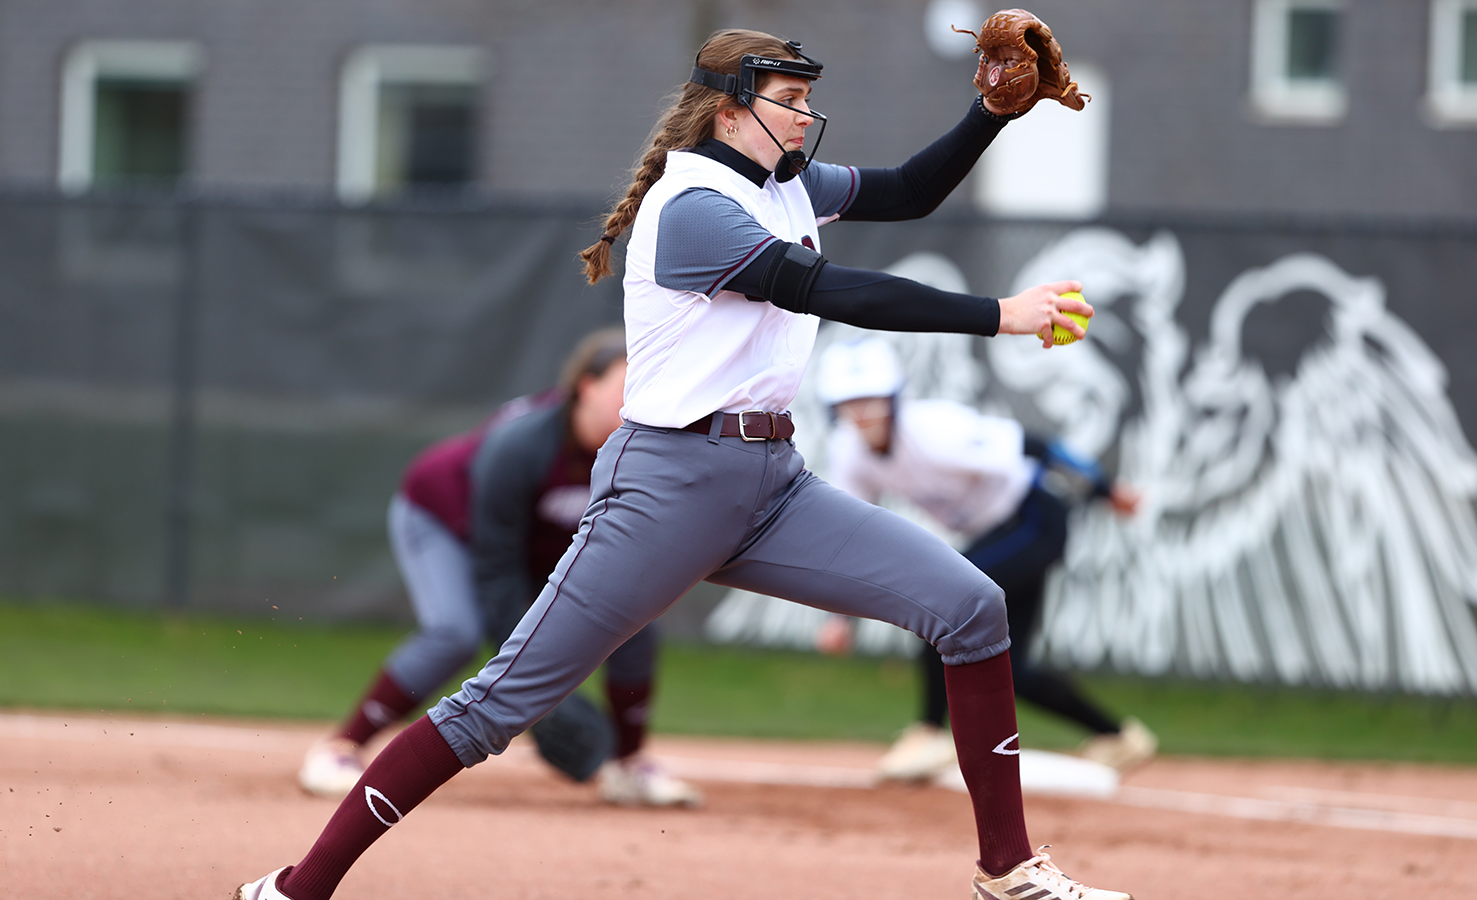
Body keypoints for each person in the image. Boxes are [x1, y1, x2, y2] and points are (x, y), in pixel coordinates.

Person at [234, 28, 1130, 900]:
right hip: (666, 487)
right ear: (728, 112)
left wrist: (988, 115)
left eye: (808, 101)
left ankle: (1008, 874)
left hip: (774, 486)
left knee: (971, 607)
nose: (803, 118)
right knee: (492, 709)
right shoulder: (695, 206)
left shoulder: (785, 182)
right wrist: (997, 312)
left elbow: (907, 191)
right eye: (787, 102)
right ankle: (296, 889)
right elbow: (824, 288)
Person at [297, 327, 701, 808]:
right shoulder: (522, 446)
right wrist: (540, 699)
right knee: (455, 632)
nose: (638, 399)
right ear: (586, 388)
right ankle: (341, 748)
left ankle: (628, 767)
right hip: (446, 520)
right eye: (626, 386)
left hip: (536, 540)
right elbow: (498, 573)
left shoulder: (644, 452)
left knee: (633, 620)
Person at [811, 337, 1157, 783]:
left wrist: (1106, 490)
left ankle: (930, 734)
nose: (862, 416)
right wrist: (841, 618)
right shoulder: (851, 453)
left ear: (895, 399)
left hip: (1035, 516)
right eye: (849, 405)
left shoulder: (935, 430)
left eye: (871, 402)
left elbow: (1035, 446)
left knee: (942, 600)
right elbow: (851, 533)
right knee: (1011, 669)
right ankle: (1118, 737)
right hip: (1002, 530)